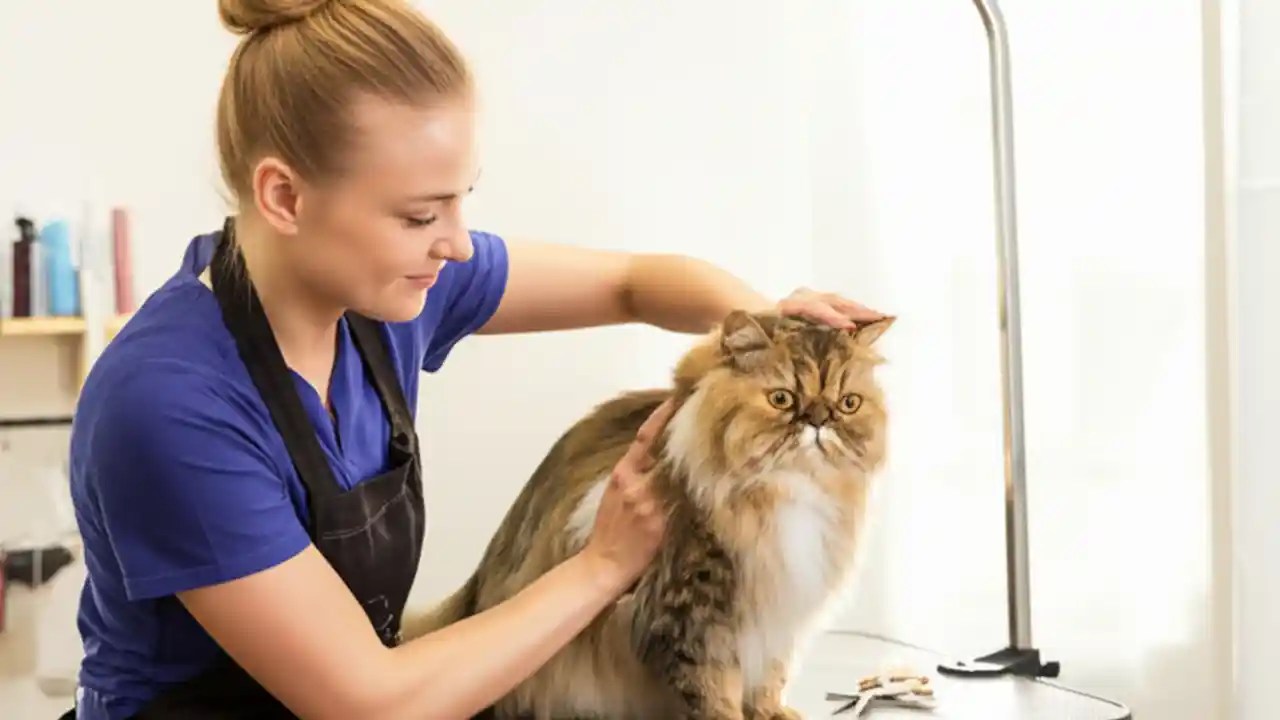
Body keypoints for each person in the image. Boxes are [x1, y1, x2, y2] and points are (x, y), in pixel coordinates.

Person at [66, 1, 887, 718]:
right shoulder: (169, 405)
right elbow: (368, 702)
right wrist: (604, 564)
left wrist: (770, 336)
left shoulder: (385, 295)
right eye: (421, 214)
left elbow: (641, 283)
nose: (456, 243)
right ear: (285, 197)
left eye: (463, 200)